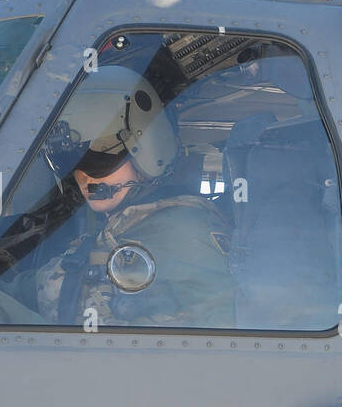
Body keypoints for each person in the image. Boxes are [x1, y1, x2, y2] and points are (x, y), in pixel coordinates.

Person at [32, 66, 235, 328]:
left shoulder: (183, 233)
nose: (84, 176)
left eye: (98, 159)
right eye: (69, 161)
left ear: (148, 150)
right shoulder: (121, 226)